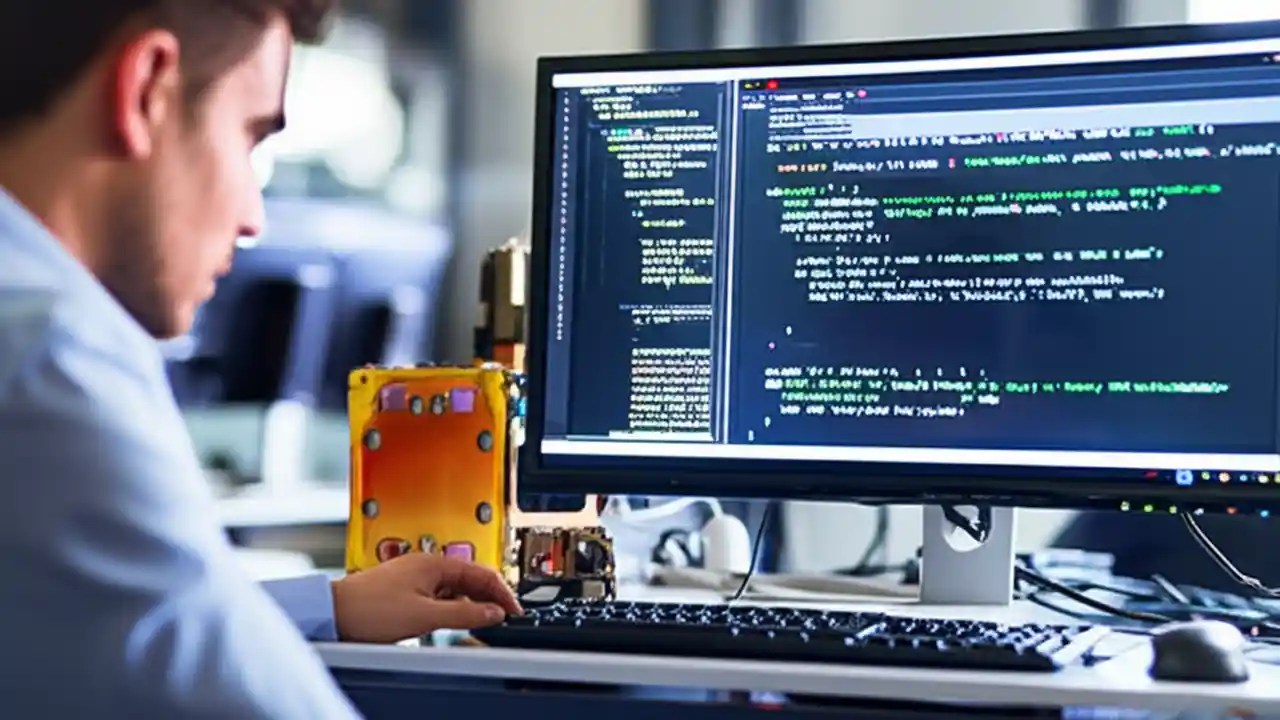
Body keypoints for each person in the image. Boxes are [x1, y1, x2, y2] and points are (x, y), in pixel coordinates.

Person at [0, 1, 521, 717]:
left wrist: (330, 604)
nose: (253, 215)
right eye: (250, 139)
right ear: (145, 88)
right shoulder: (47, 361)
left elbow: (131, 621)